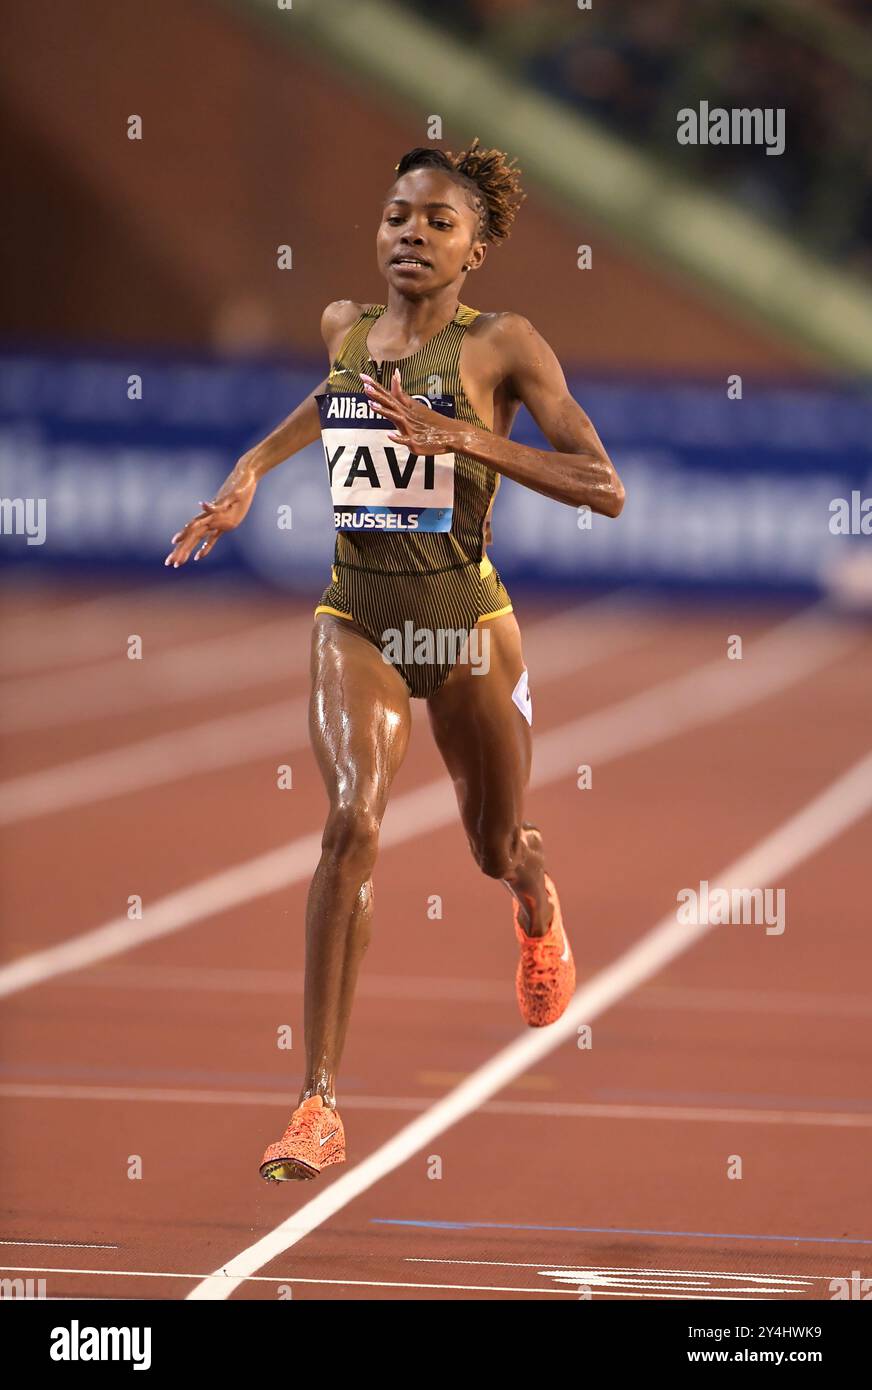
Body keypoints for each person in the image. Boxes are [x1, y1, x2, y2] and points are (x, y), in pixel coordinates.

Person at [165, 139, 625, 1181]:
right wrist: (249, 470)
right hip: (355, 616)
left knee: (493, 845)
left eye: (436, 222)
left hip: (463, 624)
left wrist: (466, 440)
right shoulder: (344, 327)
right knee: (350, 820)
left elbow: (603, 484)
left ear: (475, 249)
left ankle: (536, 901)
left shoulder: (502, 345)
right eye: (395, 216)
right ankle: (317, 1102)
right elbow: (328, 399)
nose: (409, 235)